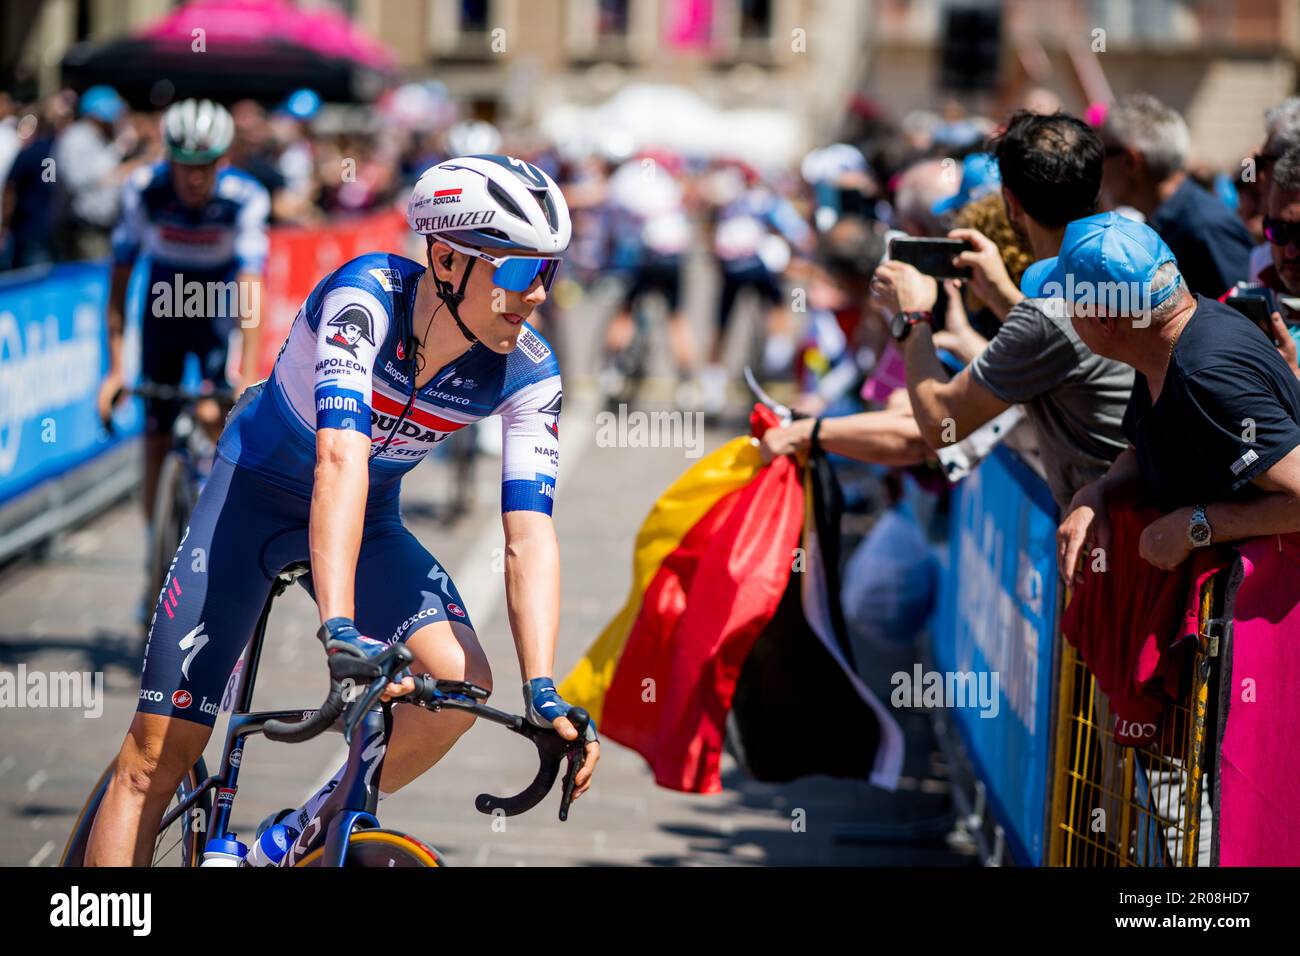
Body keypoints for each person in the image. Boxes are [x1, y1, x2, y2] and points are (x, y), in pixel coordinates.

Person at [83, 153, 600, 866]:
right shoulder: (366, 301)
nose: (537, 294)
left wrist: (542, 688)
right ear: (446, 260)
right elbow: (339, 460)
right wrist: (339, 629)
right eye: (518, 271)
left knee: (460, 682)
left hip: (367, 520)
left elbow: (529, 533)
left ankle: (293, 838)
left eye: (549, 273)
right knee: (154, 756)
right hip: (252, 501)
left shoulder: (528, 368)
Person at [879, 110, 1135, 514]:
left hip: (1111, 537)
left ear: (1011, 204)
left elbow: (940, 425)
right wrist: (999, 291)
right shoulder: (1125, 258)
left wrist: (912, 317)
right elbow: (1066, 345)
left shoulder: (1048, 315)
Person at [1051, 213, 1300, 579]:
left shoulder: (1204, 376)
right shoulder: (1159, 344)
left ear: (1104, 321)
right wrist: (1100, 493)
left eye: (1069, 304)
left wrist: (1194, 526)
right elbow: (1144, 452)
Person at [96, 99, 270, 535]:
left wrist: (247, 373)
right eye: (184, 165)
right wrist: (116, 370)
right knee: (155, 433)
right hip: (163, 304)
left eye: (206, 165)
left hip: (217, 305)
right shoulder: (142, 189)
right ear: (168, 159)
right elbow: (118, 285)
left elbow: (251, 288)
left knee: (215, 415)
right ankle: (154, 553)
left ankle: (216, 535)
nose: (194, 177)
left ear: (222, 160)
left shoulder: (245, 196)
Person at [1099, 93, 1252, 297]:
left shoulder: (1206, 225)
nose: (1097, 165)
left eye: (1102, 152)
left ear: (1131, 162)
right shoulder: (1160, 221)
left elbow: (1246, 319)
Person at [52, 85, 132, 260]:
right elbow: (77, 181)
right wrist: (118, 150)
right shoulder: (76, 137)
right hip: (88, 229)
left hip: (106, 227)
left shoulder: (98, 138)